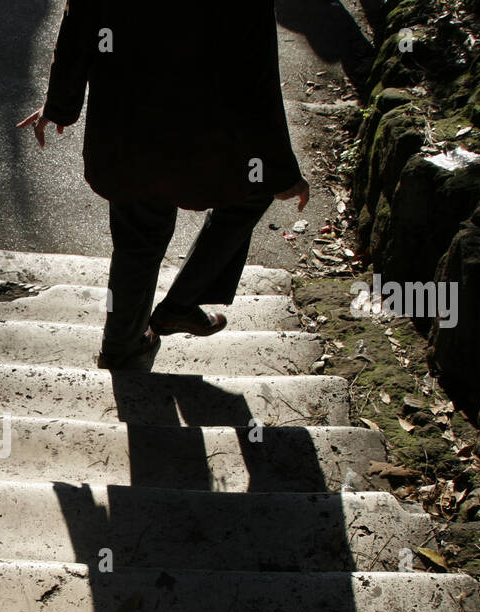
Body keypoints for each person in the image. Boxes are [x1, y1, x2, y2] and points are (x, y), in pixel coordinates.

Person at [19, 1, 310, 369]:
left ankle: (123, 345)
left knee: (138, 236)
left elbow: (80, 24)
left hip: (126, 125)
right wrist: (281, 171)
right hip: (207, 130)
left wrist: (59, 105)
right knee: (249, 197)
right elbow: (257, 74)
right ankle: (181, 304)